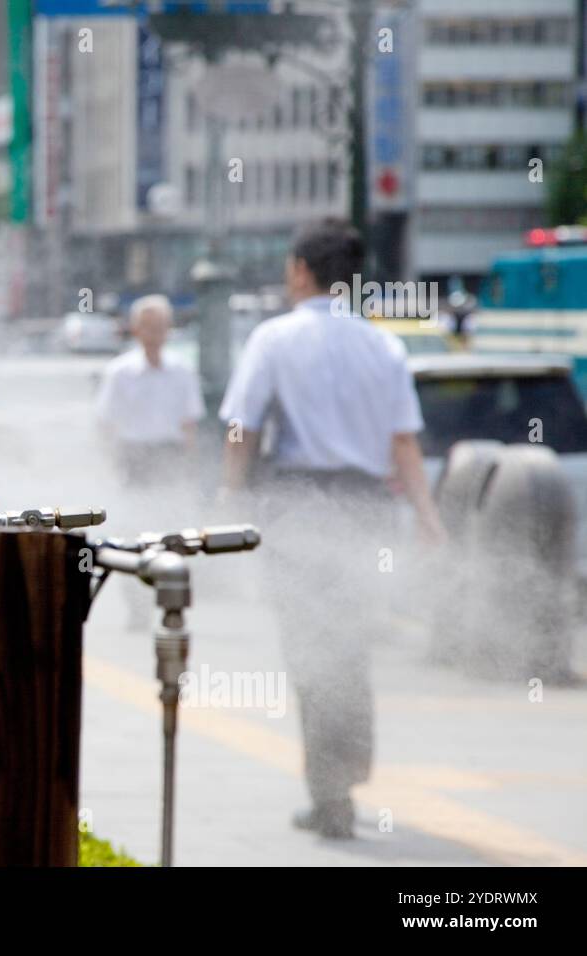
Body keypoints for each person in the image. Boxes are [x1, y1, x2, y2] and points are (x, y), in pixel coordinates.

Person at [217, 219, 445, 840]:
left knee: (311, 650)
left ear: (299, 270)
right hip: (368, 510)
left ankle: (331, 793)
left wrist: (229, 494)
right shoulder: (383, 346)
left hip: (301, 507)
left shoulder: (274, 338)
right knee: (350, 646)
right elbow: (403, 441)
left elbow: (242, 427)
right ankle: (345, 773)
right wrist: (428, 518)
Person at [96, 294, 204, 484]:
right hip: (133, 454)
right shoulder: (119, 372)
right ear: (136, 329)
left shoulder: (183, 371)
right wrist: (111, 463)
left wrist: (191, 465)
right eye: (148, 327)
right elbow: (107, 422)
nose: (154, 334)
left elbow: (190, 424)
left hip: (171, 454)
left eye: (160, 327)